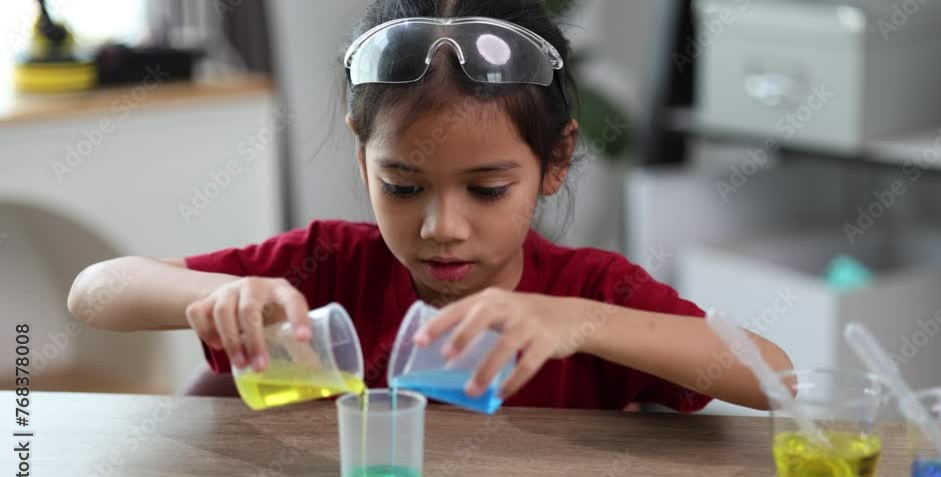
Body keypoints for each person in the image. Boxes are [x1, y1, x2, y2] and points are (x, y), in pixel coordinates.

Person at [67, 0, 792, 411]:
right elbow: (95, 289)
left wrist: (576, 322)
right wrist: (225, 293)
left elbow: (777, 378)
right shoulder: (326, 270)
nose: (443, 228)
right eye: (404, 187)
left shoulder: (589, 291)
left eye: (487, 188)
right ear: (361, 158)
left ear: (557, 160)